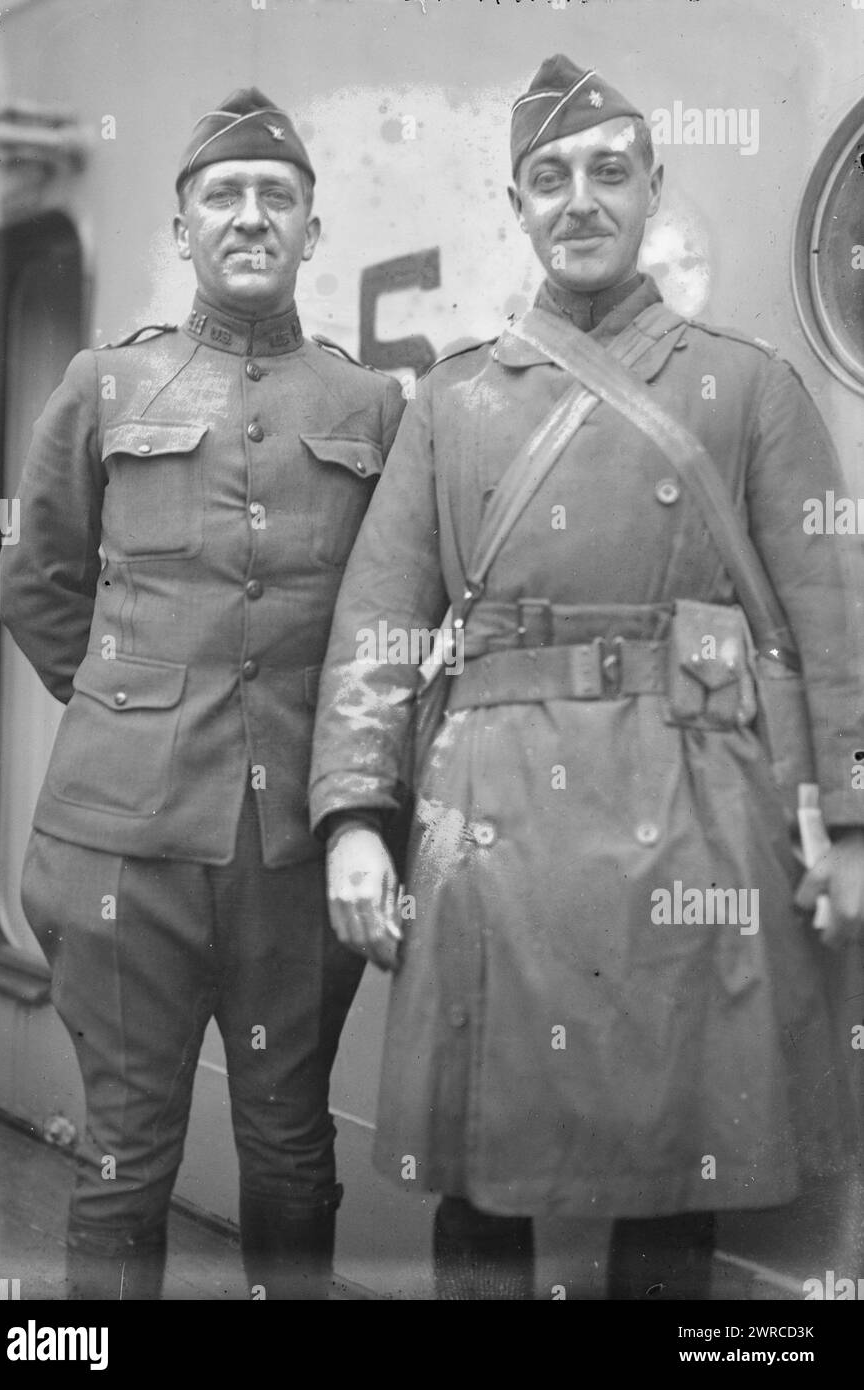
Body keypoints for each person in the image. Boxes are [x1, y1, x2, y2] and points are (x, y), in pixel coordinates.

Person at [309, 54, 864, 1300]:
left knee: (677, 1159)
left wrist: (854, 819)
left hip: (697, 818)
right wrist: (355, 816)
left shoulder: (746, 387)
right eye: (548, 179)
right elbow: (377, 620)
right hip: (489, 815)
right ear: (516, 206)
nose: (580, 200)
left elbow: (833, 626)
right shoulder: (450, 403)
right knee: (481, 1160)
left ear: (651, 188)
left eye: (608, 172)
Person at [0, 86, 404, 1300]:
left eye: (276, 197)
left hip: (291, 855)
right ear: (182, 229)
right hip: (124, 844)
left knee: (290, 1153)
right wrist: (136, 713)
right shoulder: (105, 387)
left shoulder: (371, 405)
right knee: (126, 1160)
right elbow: (41, 585)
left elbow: (386, 617)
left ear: (310, 232)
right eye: (221, 196)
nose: (249, 216)